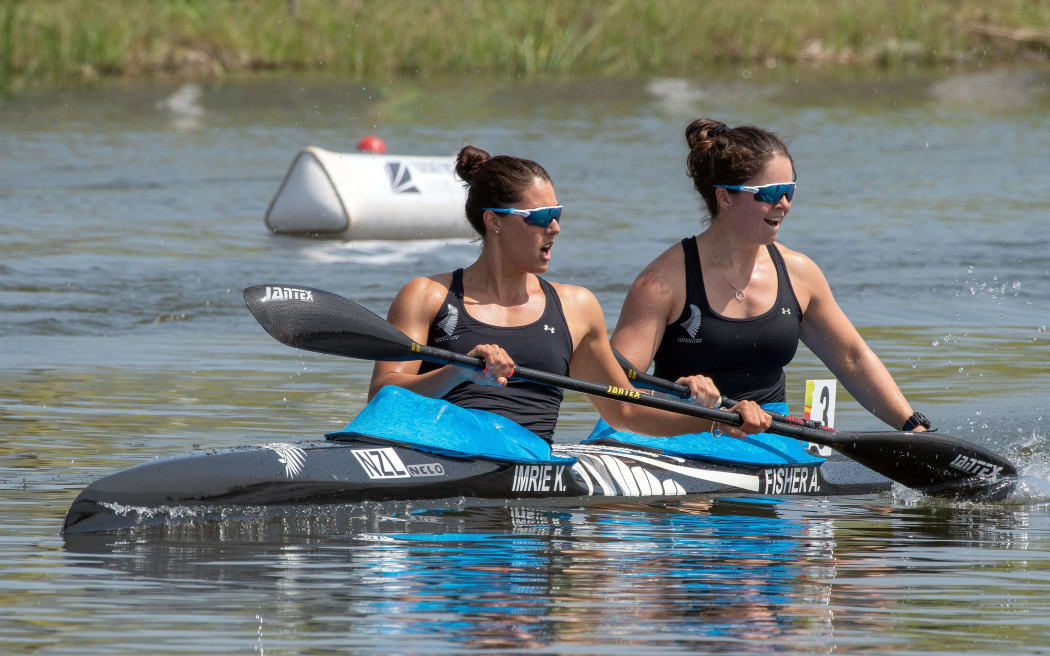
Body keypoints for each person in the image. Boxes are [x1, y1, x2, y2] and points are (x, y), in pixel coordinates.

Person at [368, 145, 769, 442]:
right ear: (494, 222)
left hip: (527, 478)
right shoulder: (427, 296)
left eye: (557, 216)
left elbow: (626, 412)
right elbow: (382, 399)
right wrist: (456, 371)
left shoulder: (576, 308)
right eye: (541, 218)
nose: (555, 229)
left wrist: (717, 419)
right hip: (436, 460)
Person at [609, 118, 930, 435]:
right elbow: (614, 390)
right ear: (725, 198)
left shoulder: (800, 274)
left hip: (773, 435)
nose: (785, 204)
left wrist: (912, 426)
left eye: (790, 189)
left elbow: (853, 359)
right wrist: (679, 394)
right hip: (684, 432)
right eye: (771, 192)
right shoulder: (662, 282)